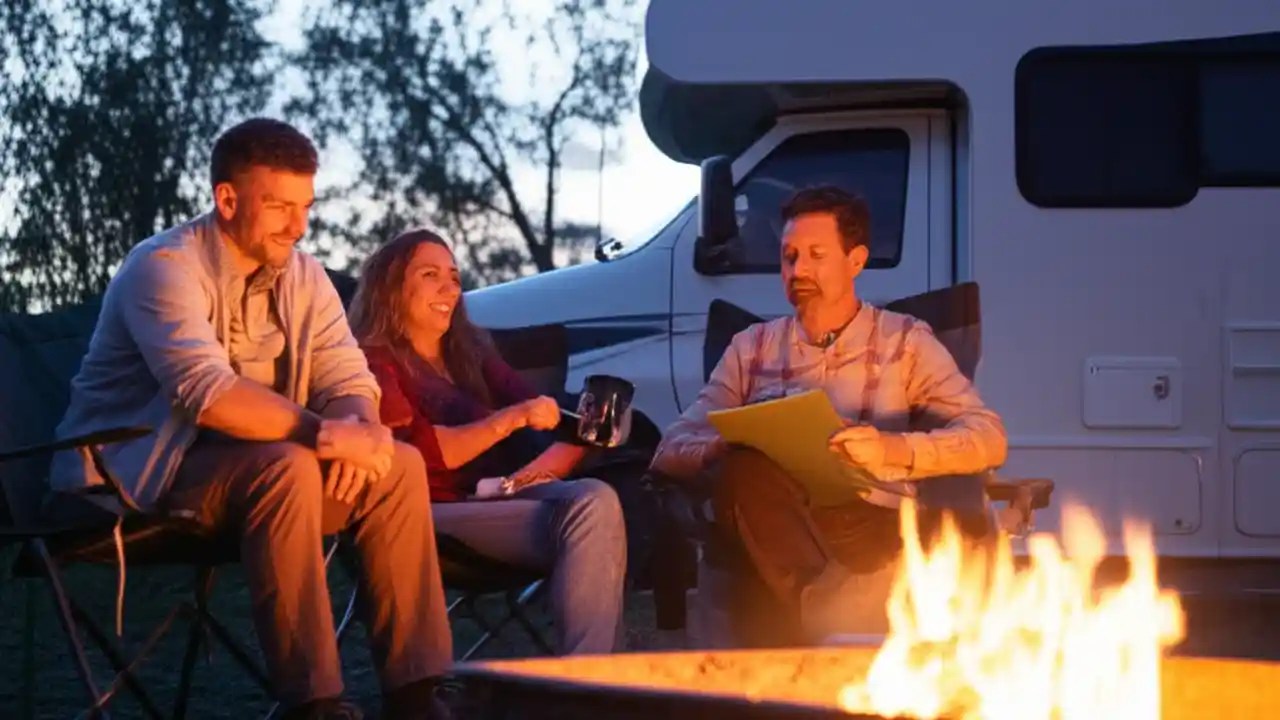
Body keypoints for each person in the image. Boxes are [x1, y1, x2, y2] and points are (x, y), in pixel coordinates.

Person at [48, 118, 452, 719]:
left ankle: (418, 693)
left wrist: (360, 429)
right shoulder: (162, 267)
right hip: (137, 471)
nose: (298, 225)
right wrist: (324, 434)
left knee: (398, 464)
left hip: (256, 471)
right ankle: (314, 702)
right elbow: (204, 392)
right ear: (227, 199)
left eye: (305, 206)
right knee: (286, 465)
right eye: (280, 206)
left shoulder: (305, 274)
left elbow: (346, 376)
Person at [649, 185, 1008, 642]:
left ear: (855, 261)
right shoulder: (750, 348)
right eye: (789, 255)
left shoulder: (904, 343)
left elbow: (988, 437)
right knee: (743, 469)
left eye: (817, 255)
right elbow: (668, 450)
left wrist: (891, 448)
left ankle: (810, 617)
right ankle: (826, 615)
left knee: (772, 534)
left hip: (869, 522)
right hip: (772, 518)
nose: (798, 269)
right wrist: (720, 445)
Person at [348, 229, 627, 656]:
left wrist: (591, 434)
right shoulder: (373, 362)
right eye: (430, 274)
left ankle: (593, 681)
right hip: (426, 515)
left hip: (491, 503)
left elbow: (549, 416)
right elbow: (420, 457)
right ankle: (588, 683)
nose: (449, 288)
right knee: (588, 509)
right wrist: (511, 420)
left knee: (597, 497)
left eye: (455, 277)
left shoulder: (471, 356)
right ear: (392, 286)